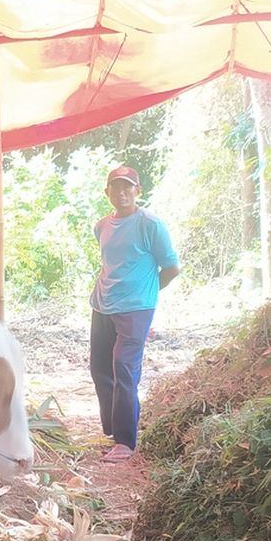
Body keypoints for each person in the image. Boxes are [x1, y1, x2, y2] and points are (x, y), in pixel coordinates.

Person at [90, 165, 181, 462]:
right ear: (107, 192)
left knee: (124, 367)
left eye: (127, 186)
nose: (122, 192)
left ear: (138, 191)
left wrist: (147, 293)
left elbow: (172, 267)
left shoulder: (150, 225)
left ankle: (125, 441)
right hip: (102, 304)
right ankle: (111, 429)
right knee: (100, 368)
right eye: (116, 187)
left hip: (135, 309)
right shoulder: (101, 226)